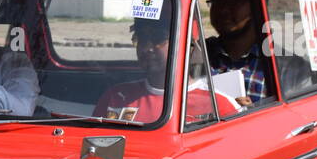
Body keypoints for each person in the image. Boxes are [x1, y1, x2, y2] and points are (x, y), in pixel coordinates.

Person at [93, 19, 240, 124]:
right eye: (141, 39)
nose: (146, 48)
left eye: (158, 39)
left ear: (189, 45)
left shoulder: (220, 105)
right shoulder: (115, 97)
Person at [204, 0, 273, 106]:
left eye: (234, 0)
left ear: (257, 5)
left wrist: (249, 112)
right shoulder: (195, 56)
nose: (223, 9)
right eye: (216, 1)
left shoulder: (284, 68)